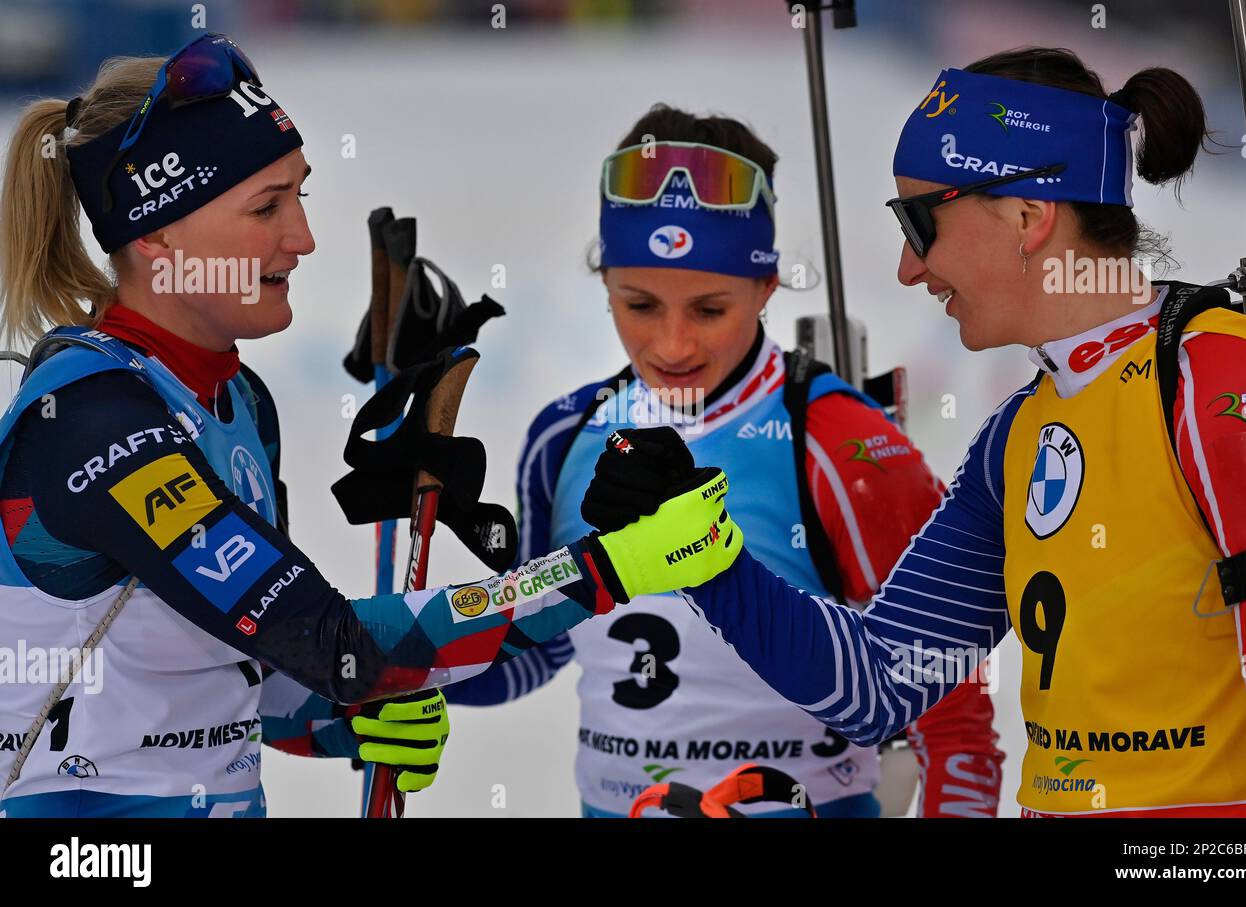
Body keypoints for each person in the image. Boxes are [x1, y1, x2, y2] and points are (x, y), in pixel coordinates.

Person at [0, 34, 736, 817]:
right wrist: (600, 571)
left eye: (299, 196)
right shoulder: (93, 422)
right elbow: (331, 640)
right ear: (156, 236)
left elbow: (246, 666)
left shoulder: (237, 402)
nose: (302, 237)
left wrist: (338, 720)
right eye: (265, 207)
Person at [585, 49, 1246, 817]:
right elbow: (879, 682)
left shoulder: (1212, 376)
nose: (907, 268)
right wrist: (706, 548)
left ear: (1029, 214)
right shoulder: (1018, 433)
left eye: (919, 221)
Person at [447, 105, 1004, 818]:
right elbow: (532, 652)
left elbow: (954, 721)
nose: (672, 344)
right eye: (639, 304)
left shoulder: (839, 440)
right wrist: (384, 665)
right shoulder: (566, 436)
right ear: (605, 281)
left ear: (767, 287)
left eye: (710, 309)